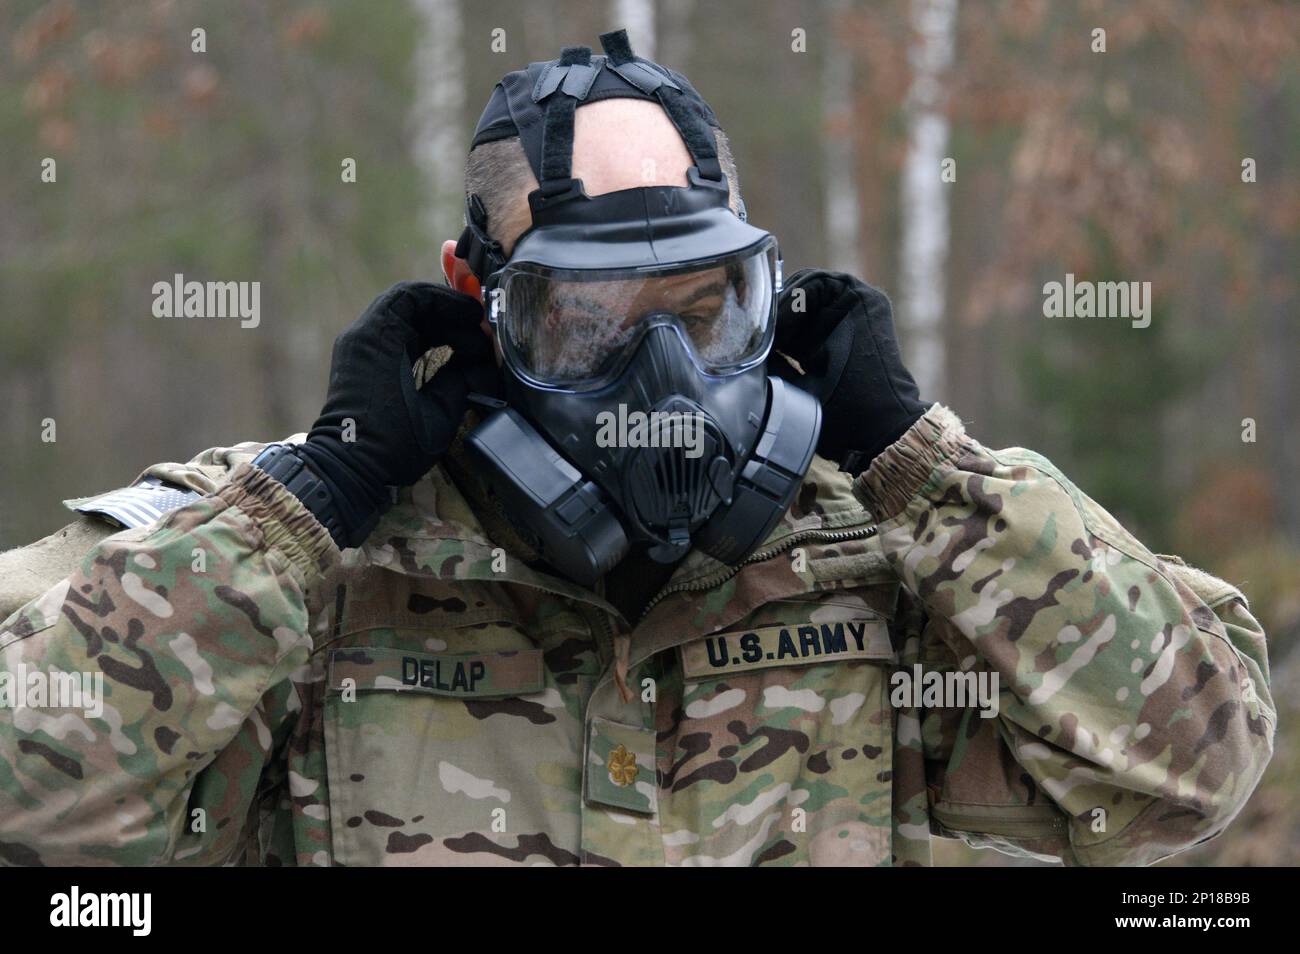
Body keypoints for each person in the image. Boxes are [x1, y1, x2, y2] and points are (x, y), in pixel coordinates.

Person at [0, 31, 1273, 867]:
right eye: (591, 319)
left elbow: (1188, 766)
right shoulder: (303, 560)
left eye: (705, 307)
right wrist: (312, 497)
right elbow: (31, 794)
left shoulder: (880, 557)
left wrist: (920, 465)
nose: (662, 377)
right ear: (475, 298)